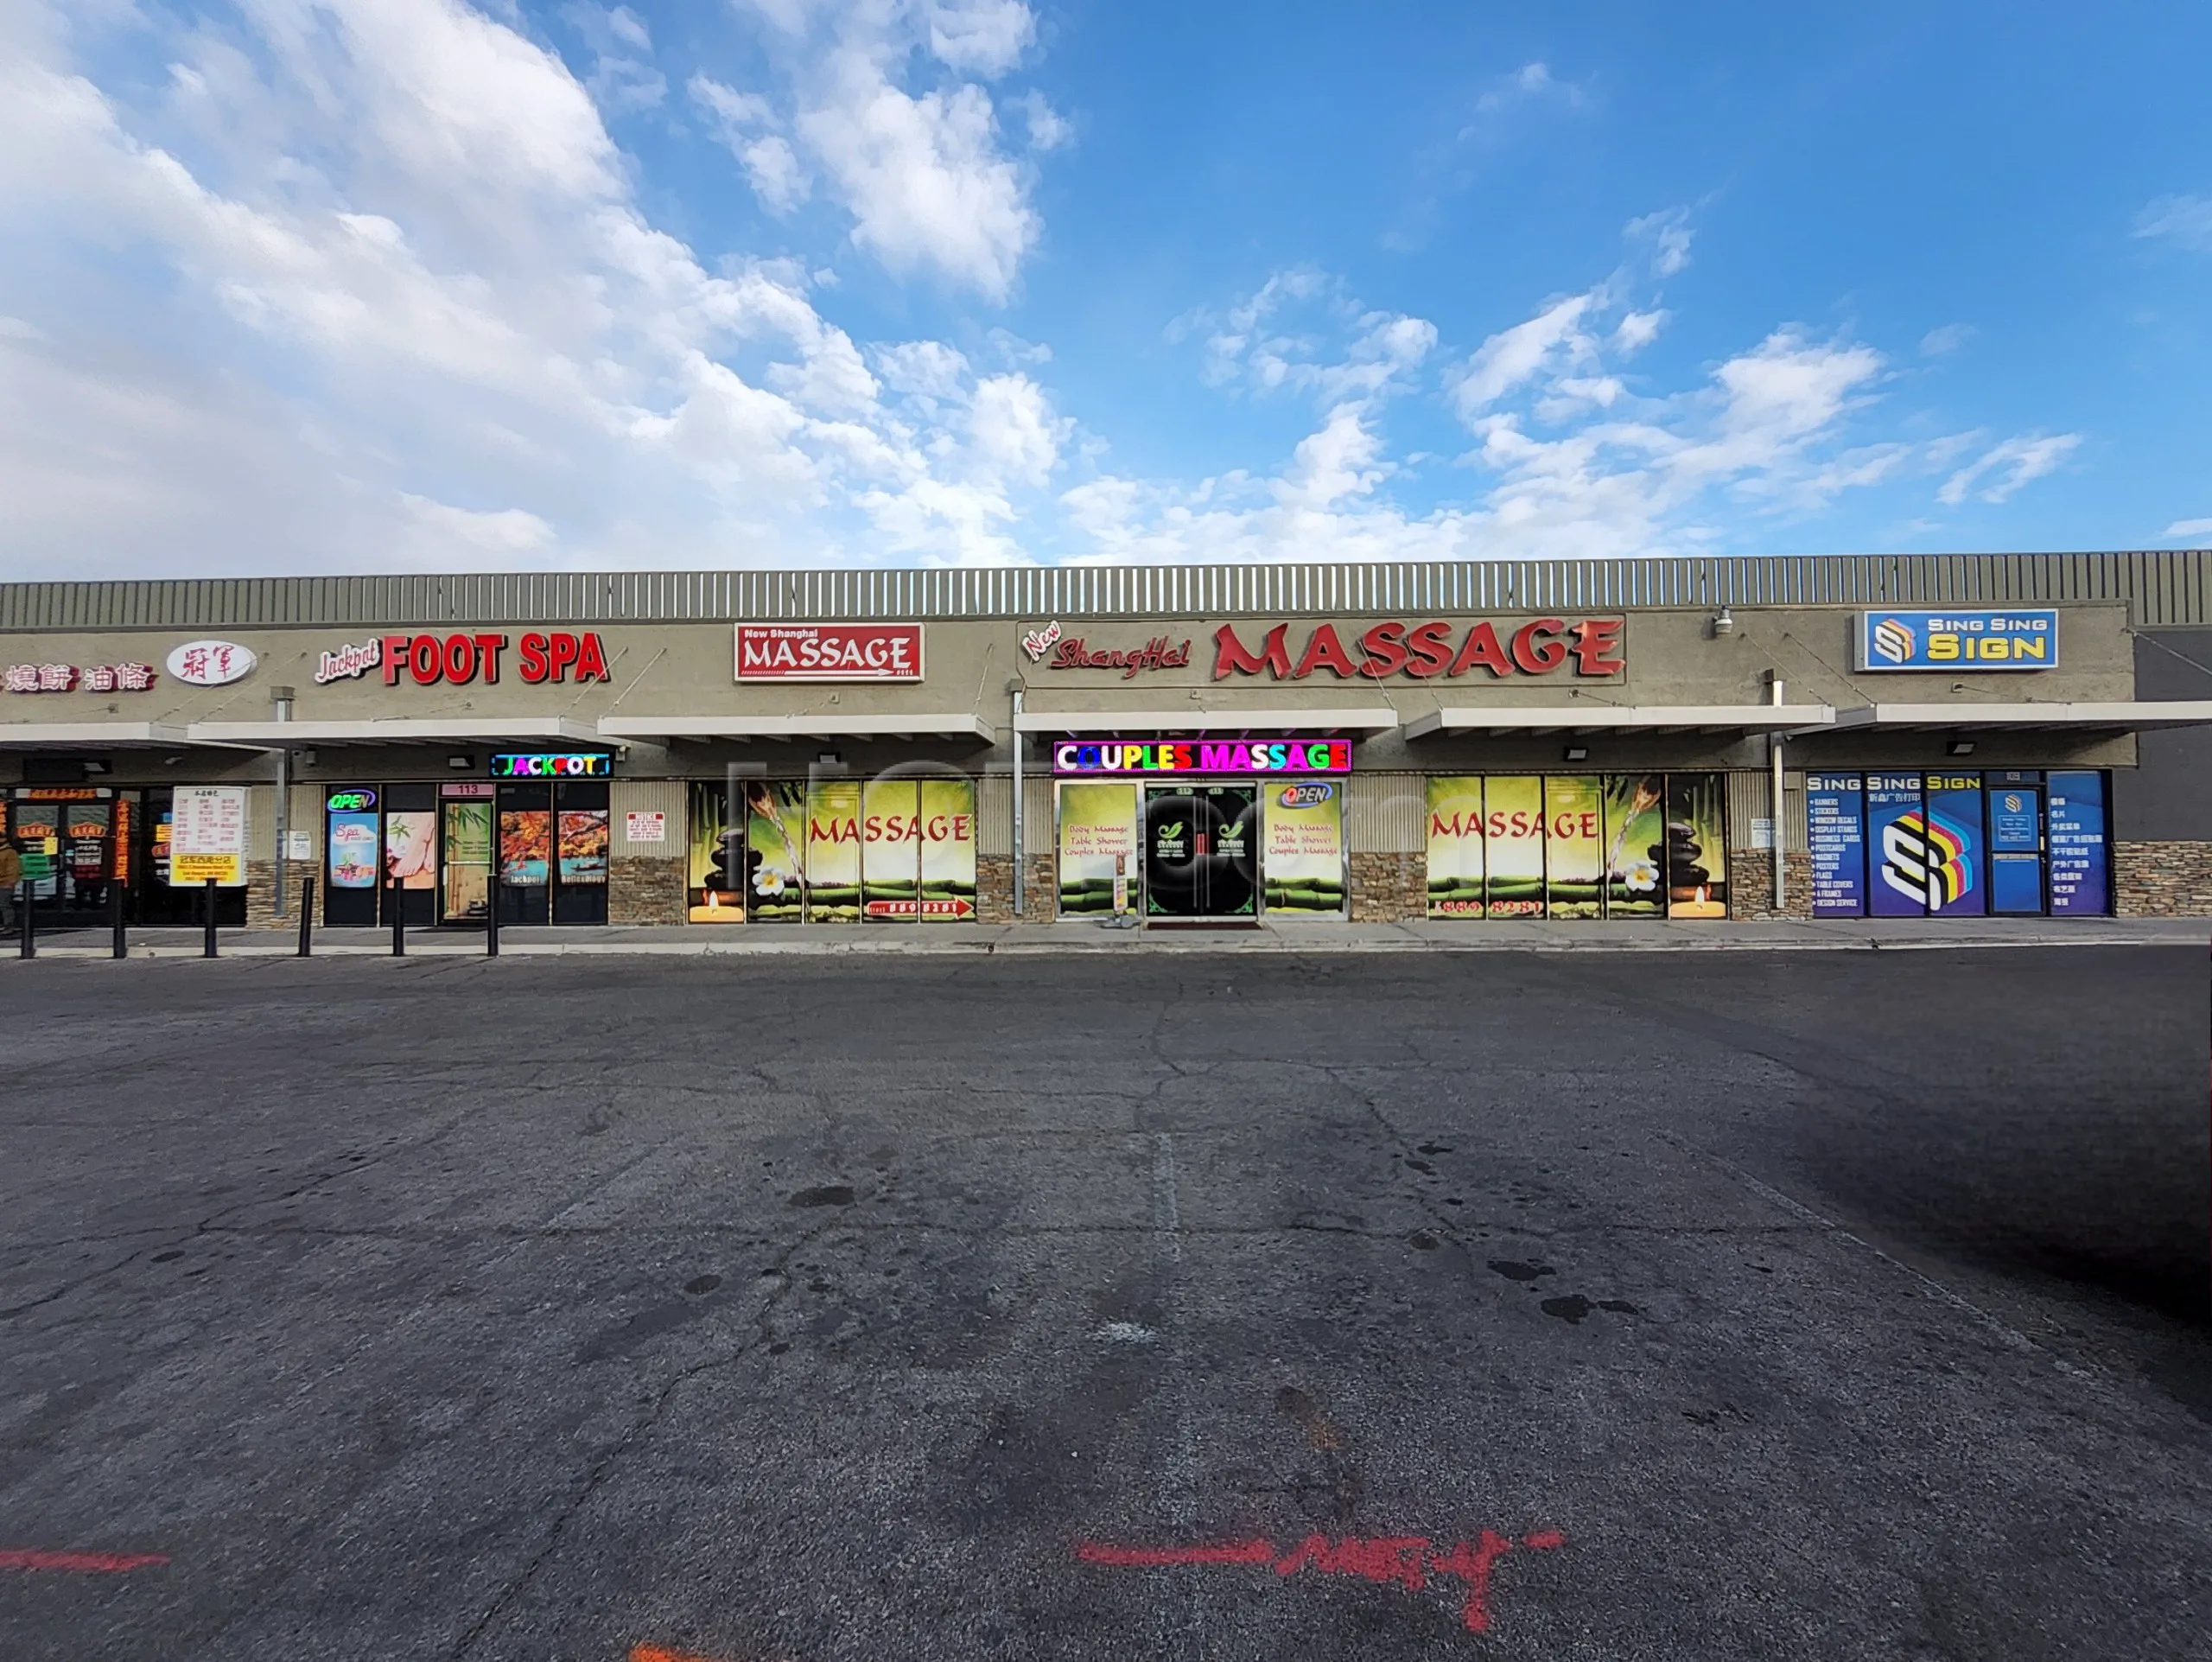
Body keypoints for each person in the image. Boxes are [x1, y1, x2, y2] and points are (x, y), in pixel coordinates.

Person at [0, 837, 21, 936]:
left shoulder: (10, 852)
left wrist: (10, 882)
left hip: (4, 884)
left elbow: (13, 869)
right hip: (4, 882)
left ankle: (9, 926)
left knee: (5, 905)